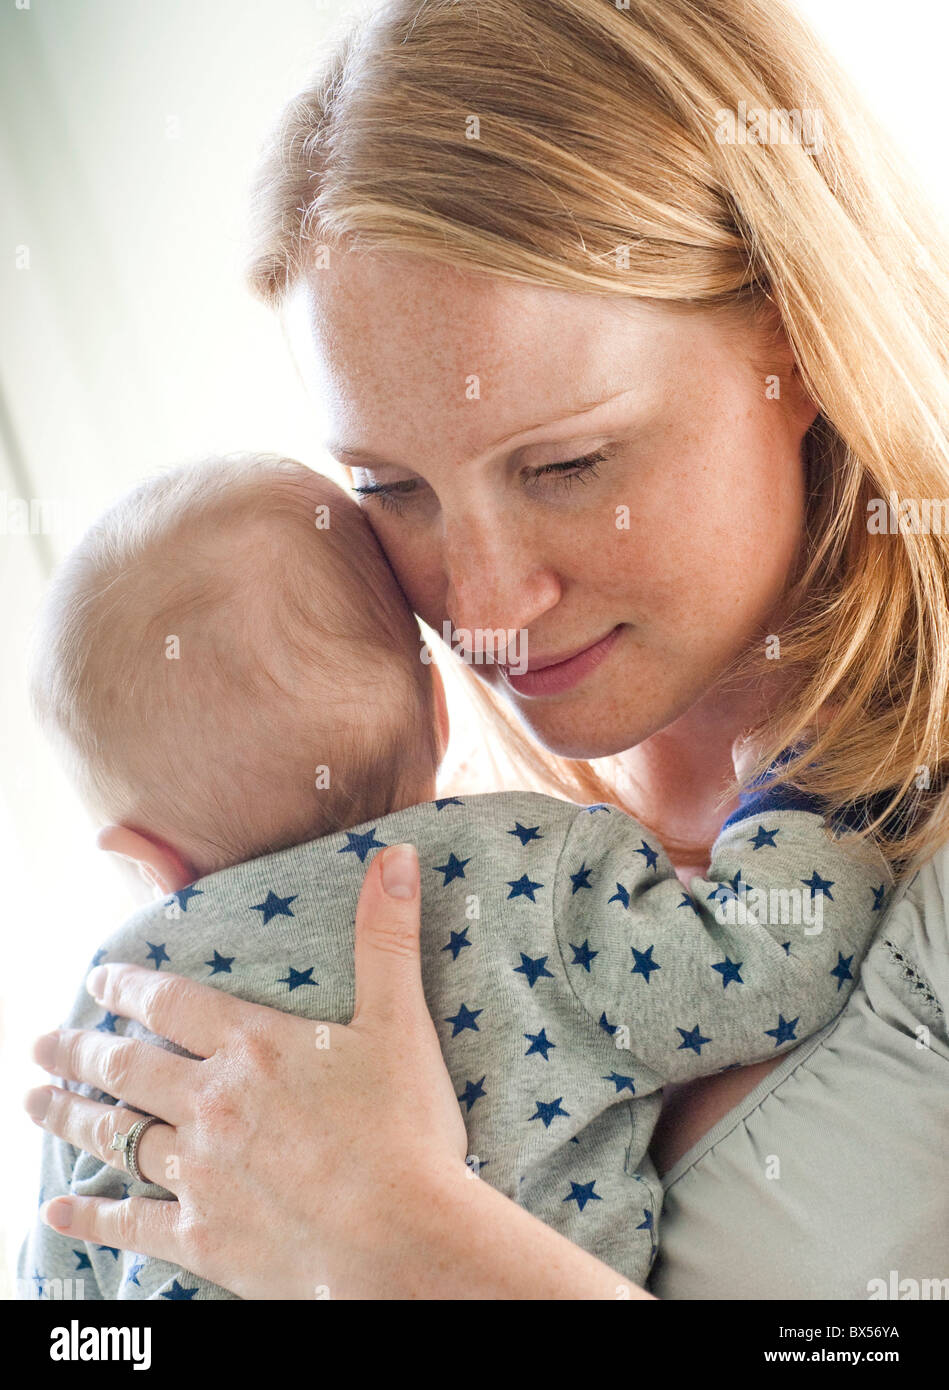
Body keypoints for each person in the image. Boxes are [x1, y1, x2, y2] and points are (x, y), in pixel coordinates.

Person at [23, 0, 949, 1298]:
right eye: (390, 486)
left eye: (569, 463)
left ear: (792, 341)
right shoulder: (435, 881)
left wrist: (407, 1247)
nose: (485, 599)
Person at [18, 453, 893, 1298]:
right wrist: (793, 782)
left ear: (145, 860)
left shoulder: (112, 1022)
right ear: (440, 714)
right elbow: (761, 970)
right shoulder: (525, 876)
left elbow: (58, 1278)